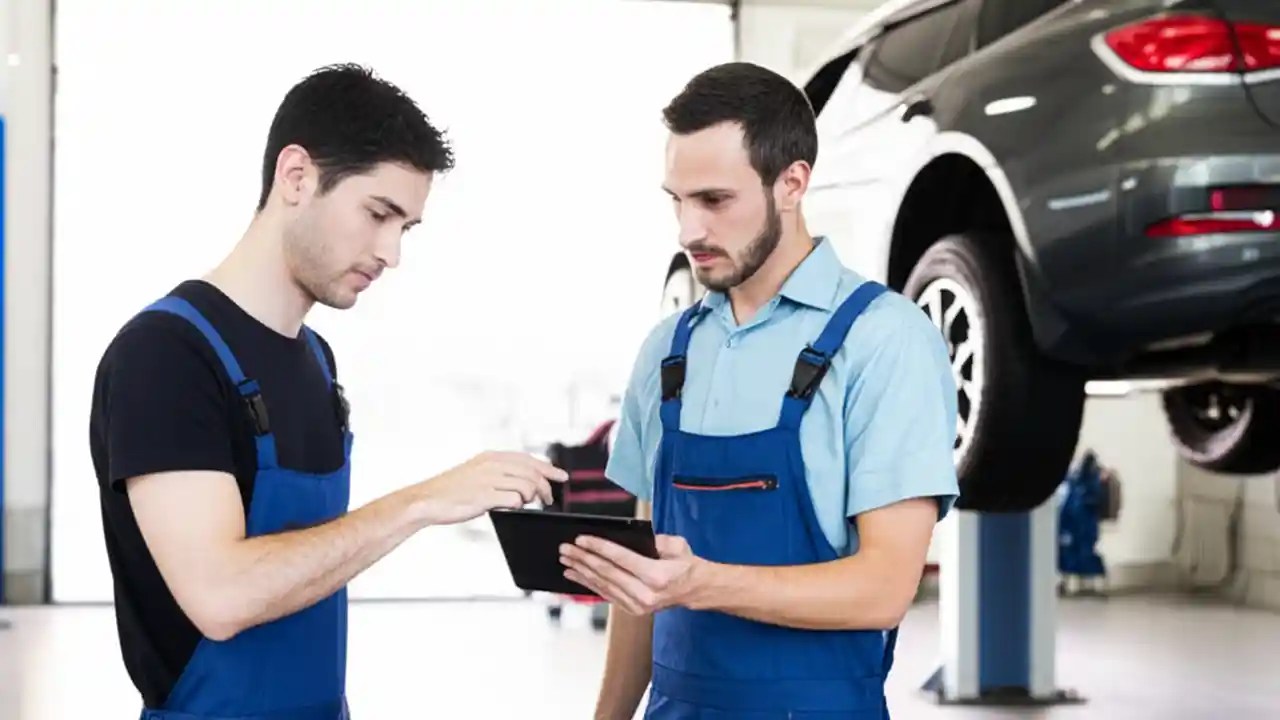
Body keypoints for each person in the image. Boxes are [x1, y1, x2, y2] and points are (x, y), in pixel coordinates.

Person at [88, 63, 567, 720]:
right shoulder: (165, 357)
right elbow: (221, 596)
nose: (391, 252)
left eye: (406, 228)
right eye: (378, 214)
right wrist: (423, 502)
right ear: (296, 177)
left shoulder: (317, 360)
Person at [558, 62, 961, 719]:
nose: (689, 231)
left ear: (792, 183)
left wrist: (702, 584)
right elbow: (642, 582)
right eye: (677, 201)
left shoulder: (885, 341)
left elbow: (884, 589)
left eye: (715, 201)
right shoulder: (667, 351)